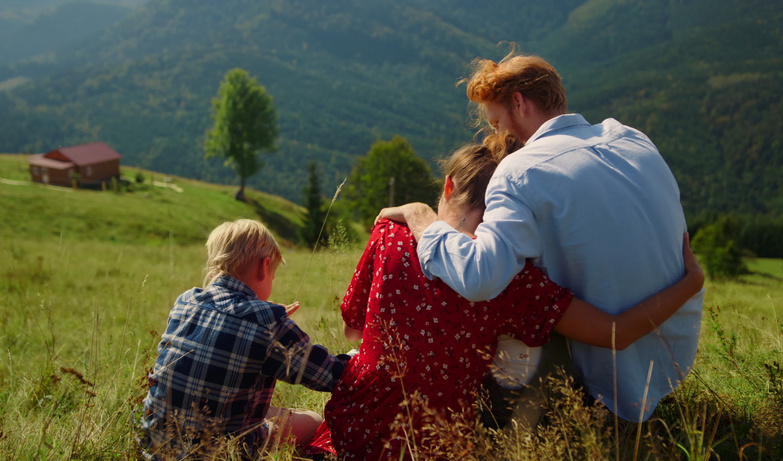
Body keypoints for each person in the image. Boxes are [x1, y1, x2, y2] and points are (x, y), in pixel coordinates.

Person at [309, 134, 703, 460]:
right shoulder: (513, 285)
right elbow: (617, 332)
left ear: (448, 185)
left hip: (353, 428)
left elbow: (353, 330)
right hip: (439, 446)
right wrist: (690, 283)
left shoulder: (389, 235)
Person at [381, 50, 705, 423]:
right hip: (673, 358)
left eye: (497, 122)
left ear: (520, 103)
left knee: (507, 297)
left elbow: (480, 277)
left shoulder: (520, 170)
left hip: (607, 377)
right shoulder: (631, 137)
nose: (497, 136)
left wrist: (421, 216)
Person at [140, 219, 350, 459]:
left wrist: (262, 313)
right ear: (264, 266)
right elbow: (329, 375)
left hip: (155, 447)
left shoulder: (185, 301)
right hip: (220, 453)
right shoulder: (267, 322)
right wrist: (352, 358)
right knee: (311, 420)